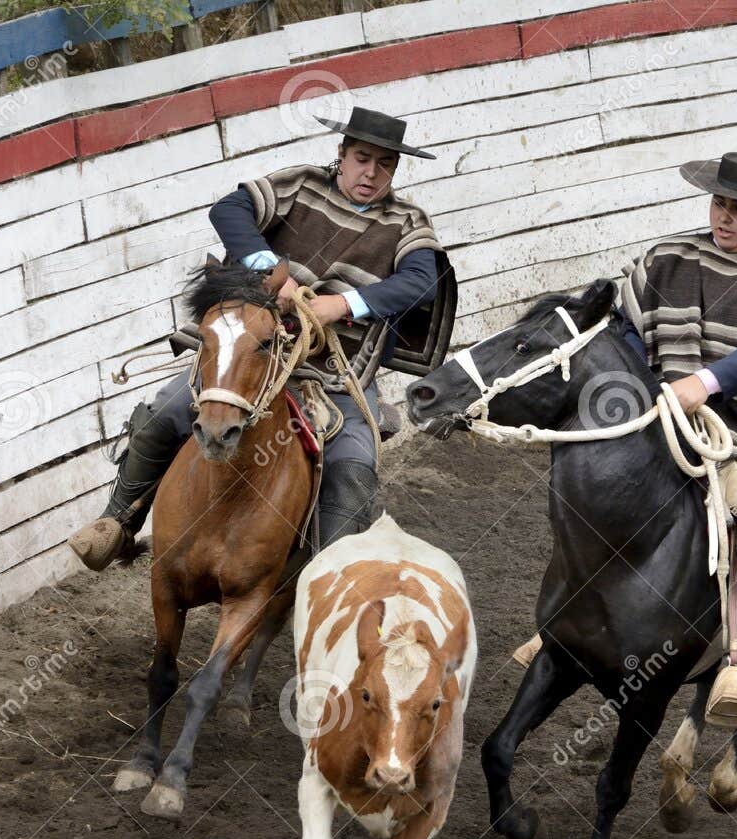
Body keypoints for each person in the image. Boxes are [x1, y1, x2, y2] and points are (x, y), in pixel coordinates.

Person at [521, 152, 737, 728]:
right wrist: (649, 387)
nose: (724, 217)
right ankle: (567, 625)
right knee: (601, 493)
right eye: (719, 204)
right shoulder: (667, 256)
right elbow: (627, 328)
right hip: (669, 413)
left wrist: (703, 383)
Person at [68, 107, 453, 570]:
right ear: (342, 155)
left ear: (395, 168)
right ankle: (118, 523)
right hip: (252, 350)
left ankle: (326, 578)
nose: (371, 173)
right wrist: (271, 271)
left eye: (385, 164)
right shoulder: (303, 183)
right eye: (362, 158)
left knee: (354, 459)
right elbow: (229, 210)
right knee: (168, 409)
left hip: (337, 368)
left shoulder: (408, 221)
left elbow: (419, 281)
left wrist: (342, 305)